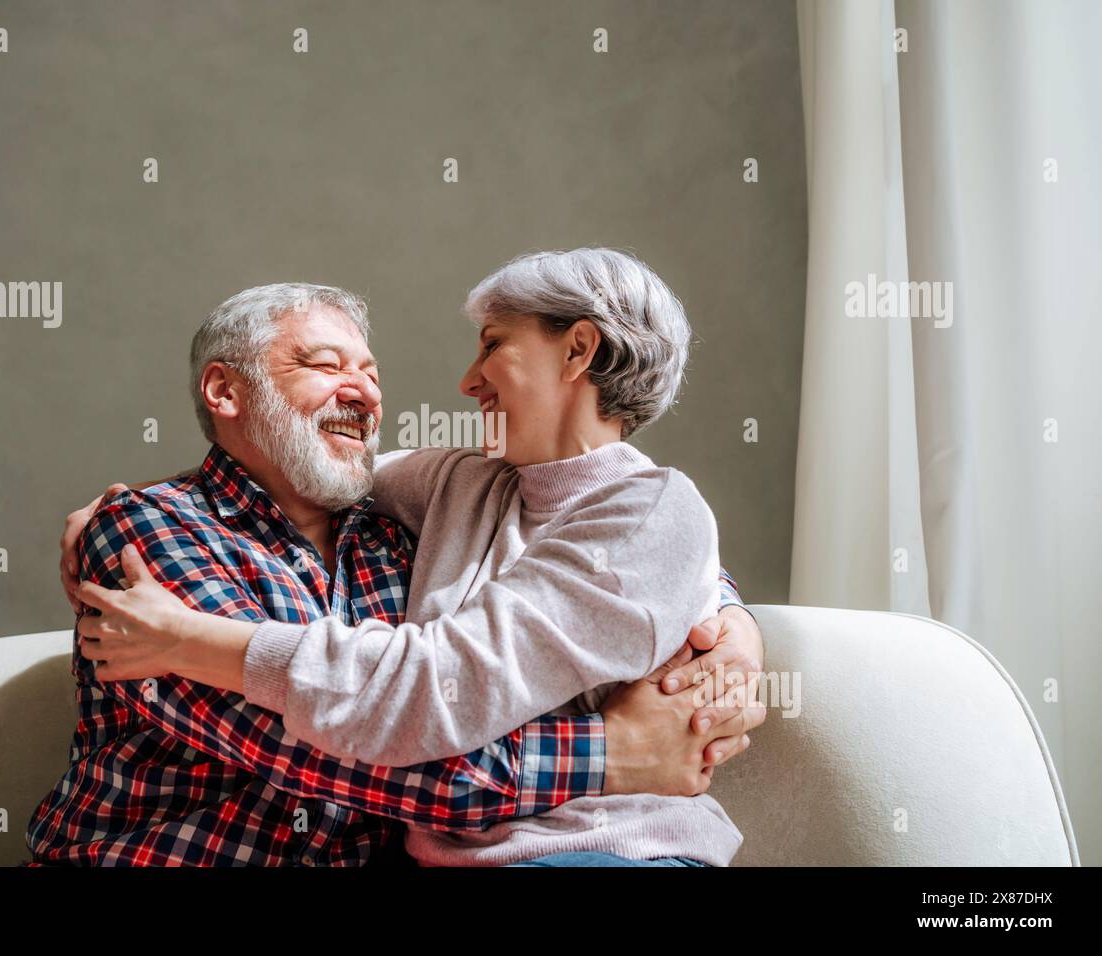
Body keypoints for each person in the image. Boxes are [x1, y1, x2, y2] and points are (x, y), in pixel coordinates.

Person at [64, 250, 767, 867]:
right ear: (226, 391)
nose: (368, 392)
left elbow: (631, 551)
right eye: (325, 364)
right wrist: (613, 754)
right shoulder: (446, 491)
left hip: (607, 853)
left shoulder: (403, 533)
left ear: (578, 351)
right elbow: (334, 747)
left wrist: (727, 618)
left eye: (371, 373)